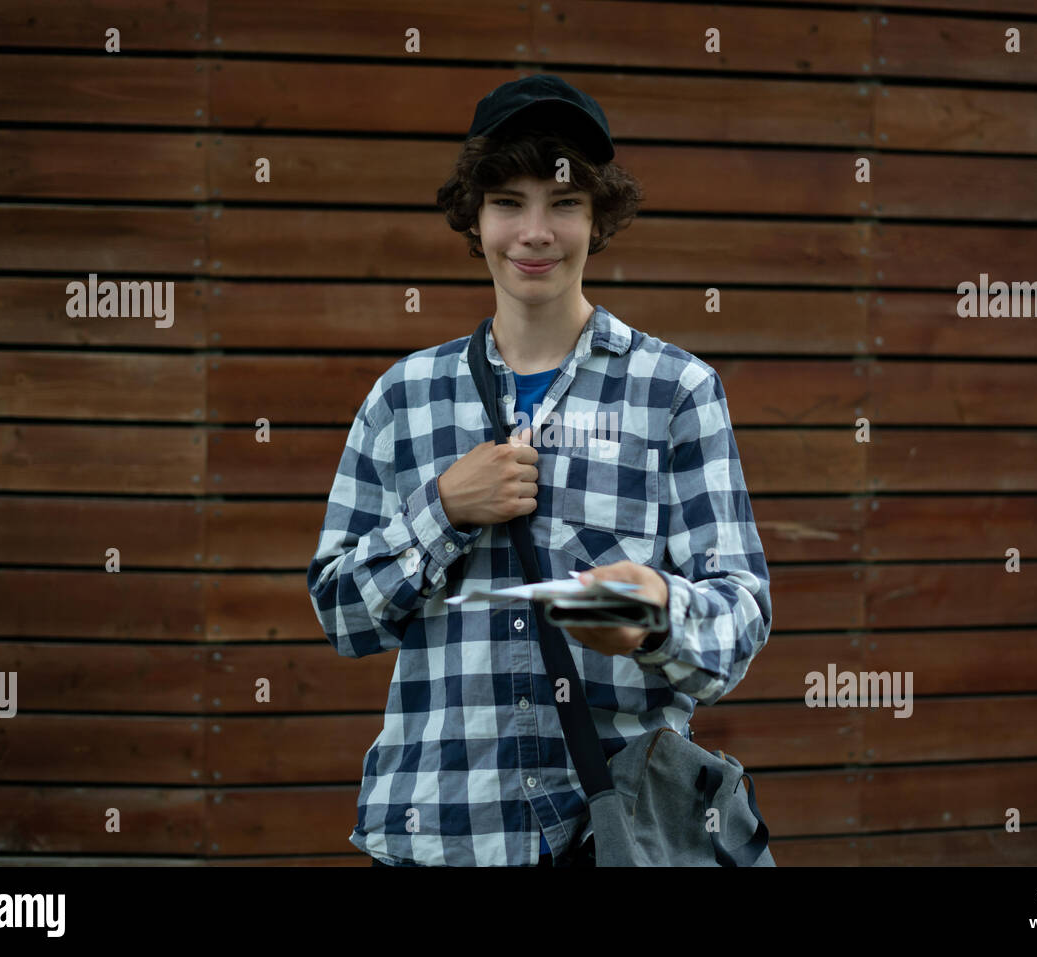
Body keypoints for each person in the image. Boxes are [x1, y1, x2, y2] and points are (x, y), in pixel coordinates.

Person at [306, 74, 772, 867]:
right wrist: (443, 511)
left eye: (563, 203)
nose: (535, 232)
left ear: (597, 218)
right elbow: (341, 614)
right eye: (508, 203)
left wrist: (661, 613)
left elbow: (742, 617)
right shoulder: (404, 398)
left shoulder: (675, 392)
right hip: (440, 835)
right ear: (475, 217)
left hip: (605, 837)